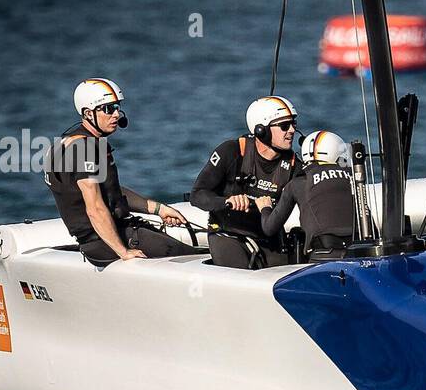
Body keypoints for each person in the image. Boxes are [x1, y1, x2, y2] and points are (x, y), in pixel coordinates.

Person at [45, 78, 192, 266]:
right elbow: (95, 208)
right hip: (105, 242)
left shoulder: (62, 144)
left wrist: (159, 209)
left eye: (117, 107)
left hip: (103, 238)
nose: (116, 114)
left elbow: (110, 191)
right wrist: (124, 252)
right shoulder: (85, 149)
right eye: (108, 109)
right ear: (88, 113)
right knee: (194, 258)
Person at [190, 96, 300, 269]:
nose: (292, 130)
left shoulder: (295, 166)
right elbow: (197, 195)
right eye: (284, 126)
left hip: (269, 238)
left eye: (294, 124)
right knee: (239, 276)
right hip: (227, 233)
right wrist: (226, 202)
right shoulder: (232, 151)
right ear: (261, 130)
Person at [260, 130, 356, 258]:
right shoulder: (353, 176)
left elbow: (269, 228)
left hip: (322, 257)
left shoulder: (298, 182)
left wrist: (265, 208)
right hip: (360, 251)